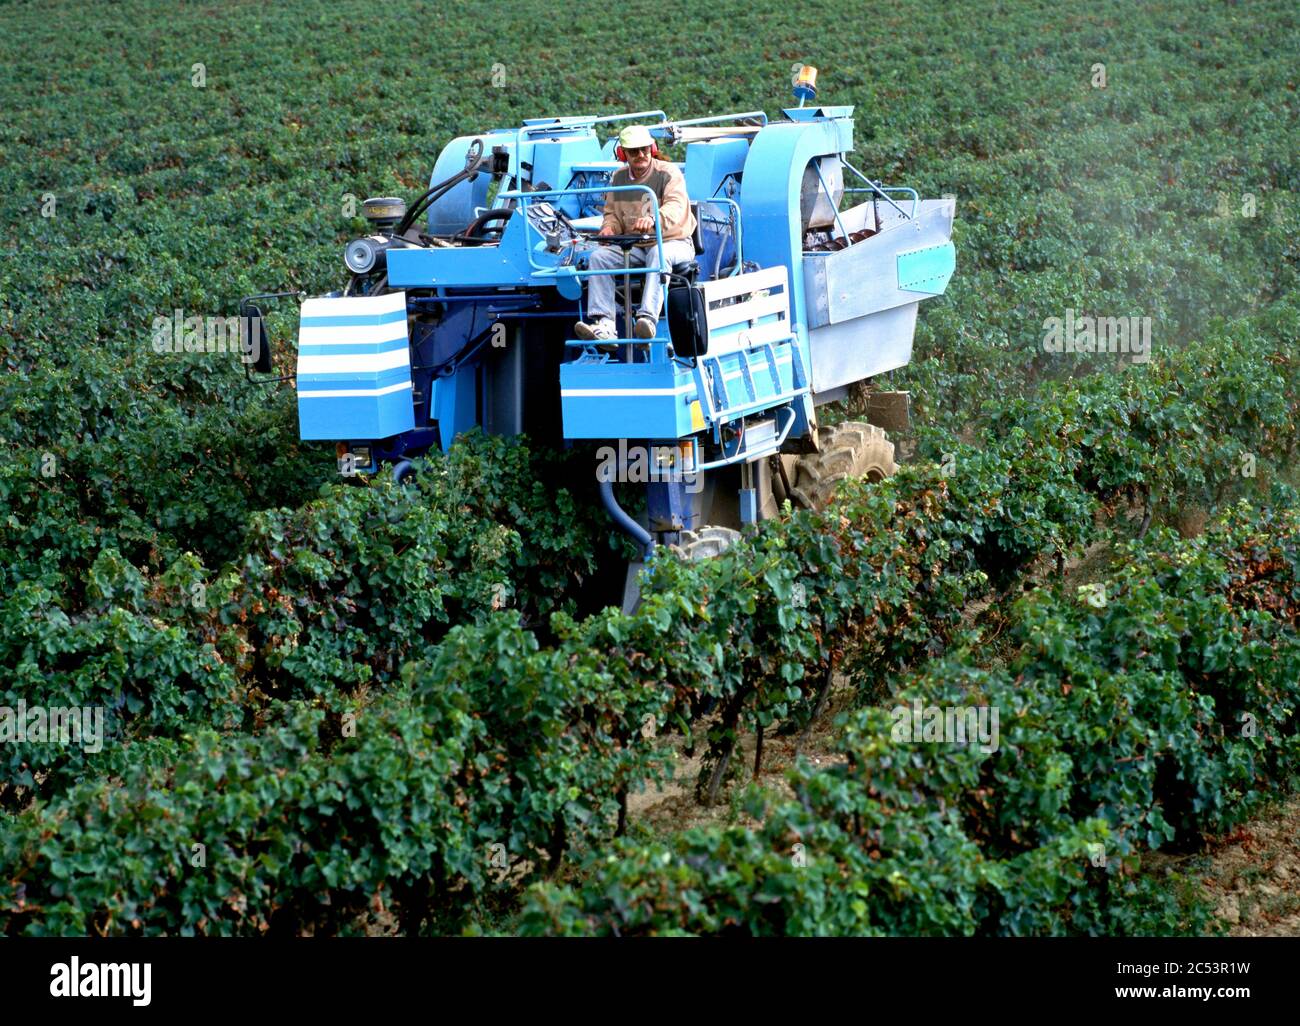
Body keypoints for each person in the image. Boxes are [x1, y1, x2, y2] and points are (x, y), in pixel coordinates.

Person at [574, 125, 697, 342]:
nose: (641, 155)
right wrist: (609, 227)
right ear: (623, 154)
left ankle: (648, 319)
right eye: (634, 151)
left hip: (674, 242)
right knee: (598, 257)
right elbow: (611, 212)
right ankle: (605, 325)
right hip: (636, 247)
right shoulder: (618, 178)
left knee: (658, 254)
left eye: (645, 149)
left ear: (652, 148)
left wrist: (653, 219)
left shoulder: (668, 173)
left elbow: (676, 206)